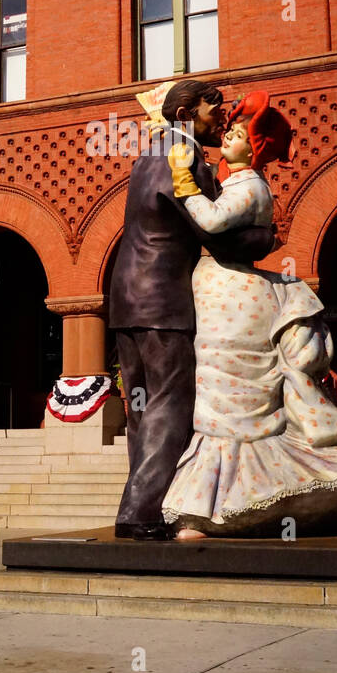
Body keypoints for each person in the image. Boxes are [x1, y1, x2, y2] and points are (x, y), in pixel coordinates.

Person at [163, 89, 337, 538]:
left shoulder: (250, 186)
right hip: (221, 293)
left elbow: (210, 222)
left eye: (235, 134)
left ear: (255, 149)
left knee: (228, 401)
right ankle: (215, 505)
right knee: (220, 399)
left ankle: (224, 506)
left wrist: (186, 184)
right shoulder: (235, 180)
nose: (226, 135)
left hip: (233, 299)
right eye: (228, 130)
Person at [108, 79, 276, 540]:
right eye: (211, 108)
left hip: (128, 297)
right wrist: (264, 238)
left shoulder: (152, 153)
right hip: (161, 299)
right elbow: (213, 233)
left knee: (143, 407)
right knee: (170, 402)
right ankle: (140, 513)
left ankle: (147, 507)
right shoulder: (182, 157)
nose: (218, 119)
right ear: (185, 112)